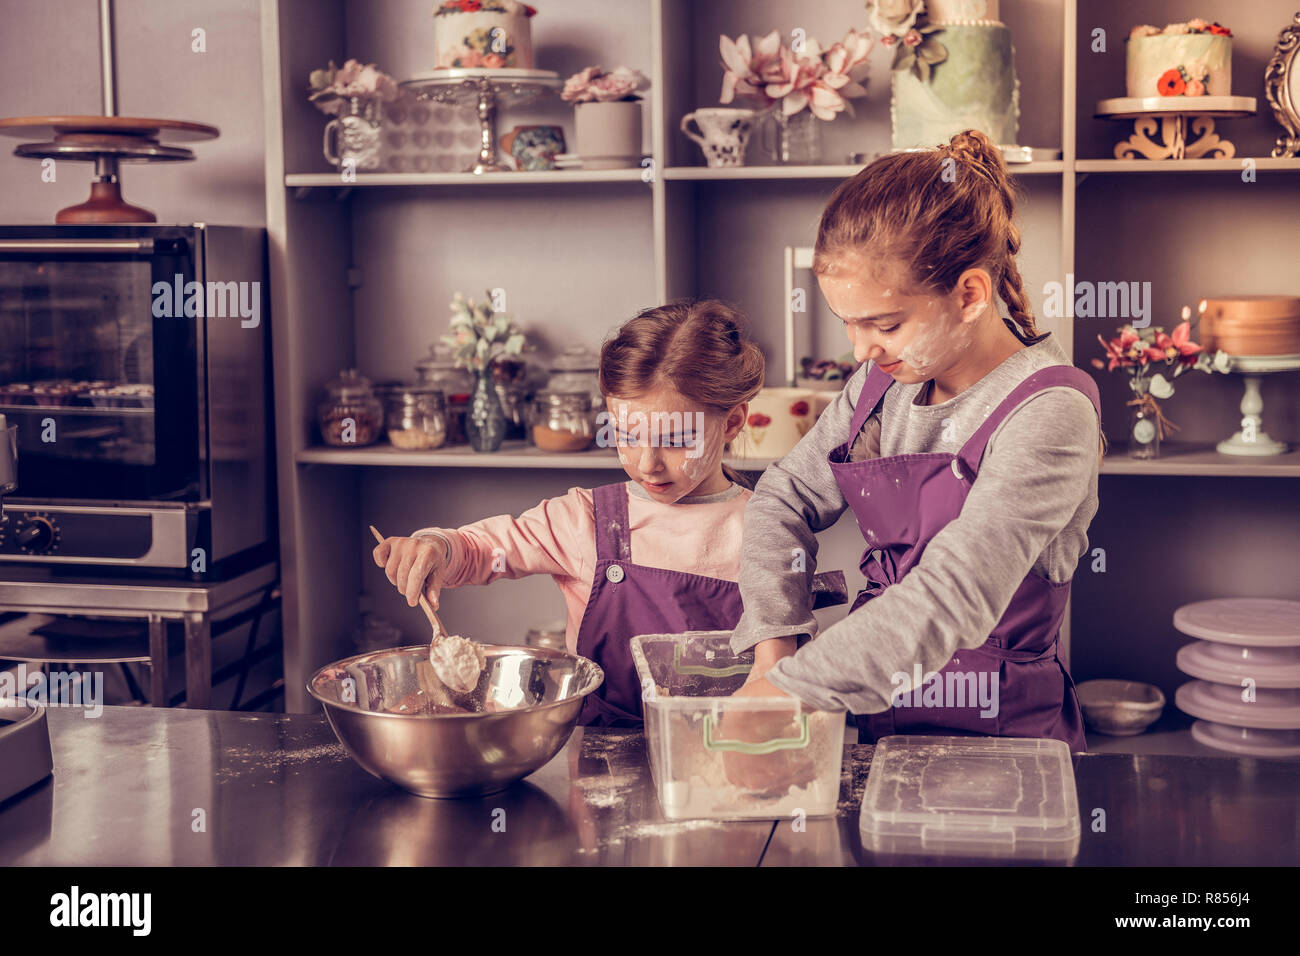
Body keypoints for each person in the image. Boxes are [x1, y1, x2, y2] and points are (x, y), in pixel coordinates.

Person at [728, 128, 1104, 752]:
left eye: (885, 324)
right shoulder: (881, 385)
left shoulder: (1051, 410)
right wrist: (774, 646)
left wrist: (793, 691)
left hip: (1004, 740)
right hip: (877, 725)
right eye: (848, 323)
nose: (861, 350)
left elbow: (956, 592)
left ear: (970, 295)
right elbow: (782, 498)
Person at [373, 299, 763, 726]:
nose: (647, 462)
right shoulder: (587, 520)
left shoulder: (767, 529)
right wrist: (437, 548)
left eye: (672, 439)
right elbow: (484, 548)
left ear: (731, 422)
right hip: (602, 767)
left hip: (724, 760)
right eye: (627, 436)